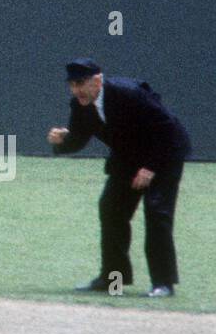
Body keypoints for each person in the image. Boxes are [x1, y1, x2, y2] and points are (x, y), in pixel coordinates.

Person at [49, 57, 191, 299]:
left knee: (157, 213)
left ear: (98, 80)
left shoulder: (129, 93)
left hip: (164, 155)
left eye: (81, 83)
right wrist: (62, 140)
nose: (76, 90)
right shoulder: (80, 105)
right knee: (111, 208)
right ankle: (113, 278)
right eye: (72, 84)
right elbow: (78, 140)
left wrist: (150, 168)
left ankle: (163, 284)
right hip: (127, 160)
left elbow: (167, 130)